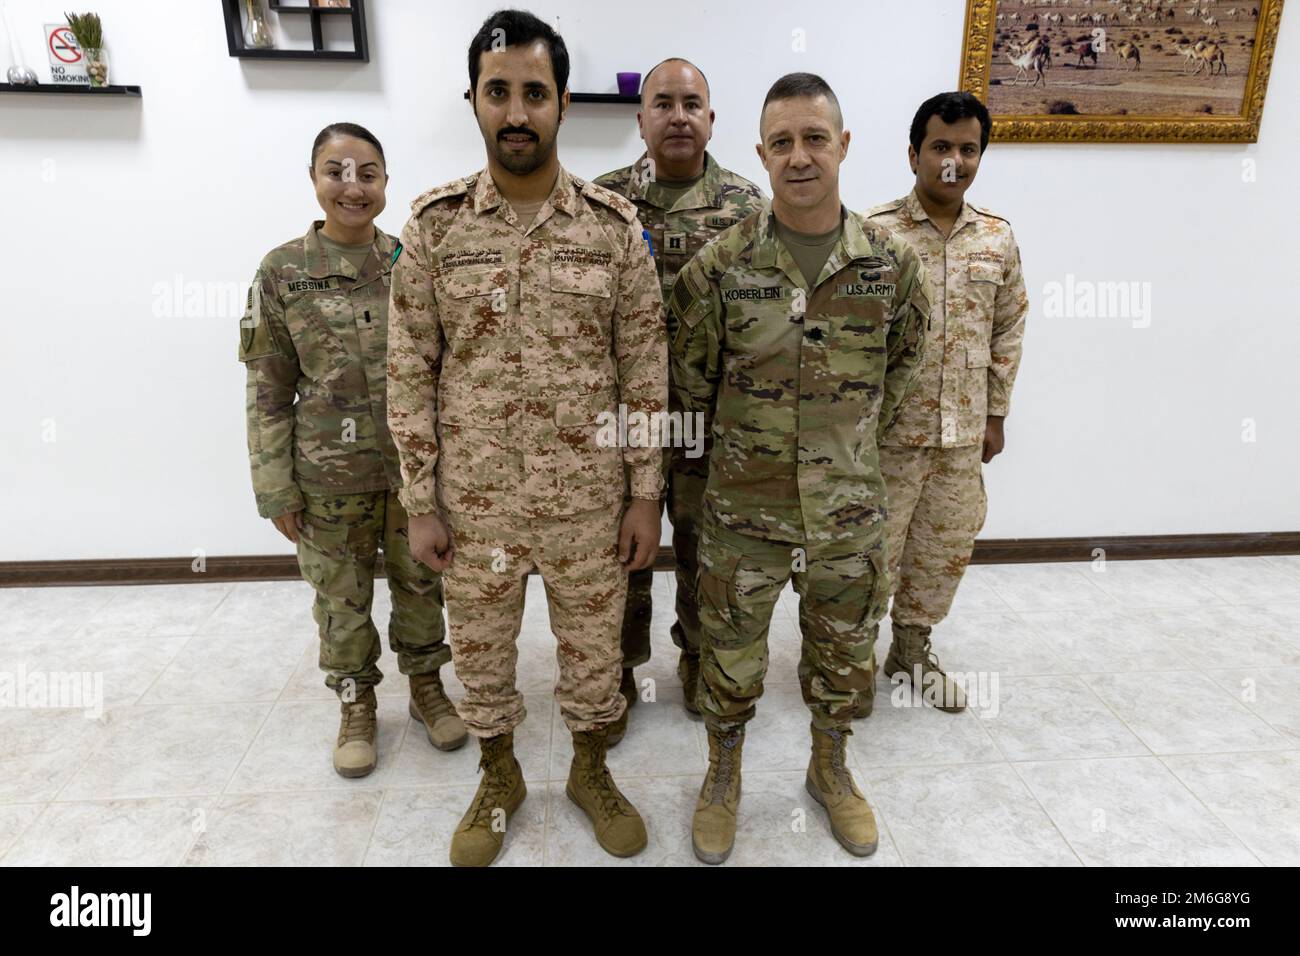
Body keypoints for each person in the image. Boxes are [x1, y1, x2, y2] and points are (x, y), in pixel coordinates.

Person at [386, 9, 667, 867]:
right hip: (476, 505)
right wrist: (420, 500)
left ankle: (588, 769)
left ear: (563, 104)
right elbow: (408, 372)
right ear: (473, 100)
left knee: (593, 655)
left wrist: (645, 495)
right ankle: (499, 775)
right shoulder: (433, 229)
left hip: (589, 502)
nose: (516, 111)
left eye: (534, 93)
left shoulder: (614, 228)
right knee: (482, 654)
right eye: (498, 91)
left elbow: (644, 369)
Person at [668, 73, 930, 863]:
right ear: (760, 153)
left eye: (815, 138)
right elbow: (691, 387)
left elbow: (900, 371)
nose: (800, 156)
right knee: (729, 652)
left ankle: (831, 769)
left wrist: (839, 451)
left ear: (844, 145)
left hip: (847, 511)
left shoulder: (891, 265)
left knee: (843, 655)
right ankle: (722, 774)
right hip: (743, 514)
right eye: (781, 142)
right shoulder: (717, 269)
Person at [238, 122, 465, 780]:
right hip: (325, 479)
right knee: (340, 601)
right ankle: (356, 703)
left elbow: (444, 373)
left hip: (410, 478)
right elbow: (268, 390)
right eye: (336, 171)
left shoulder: (409, 265)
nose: (352, 186)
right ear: (315, 181)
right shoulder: (281, 273)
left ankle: (427, 688)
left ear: (386, 184)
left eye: (368, 173)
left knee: (423, 586)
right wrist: (274, 487)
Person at [593, 57, 766, 740]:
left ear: (712, 118)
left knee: (703, 548)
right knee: (622, 550)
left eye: (692, 103)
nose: (678, 115)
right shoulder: (602, 203)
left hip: (709, 422)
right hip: (622, 421)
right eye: (662, 103)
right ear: (640, 119)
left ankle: (696, 658)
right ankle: (622, 663)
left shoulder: (749, 207)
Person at [863, 91, 1028, 716]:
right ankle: (848, 657)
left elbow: (1009, 325)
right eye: (940, 147)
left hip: (960, 433)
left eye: (967, 149)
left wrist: (996, 412)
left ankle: (911, 651)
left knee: (942, 550)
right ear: (914, 154)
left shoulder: (997, 239)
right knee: (869, 553)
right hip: (885, 433)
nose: (953, 161)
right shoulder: (873, 233)